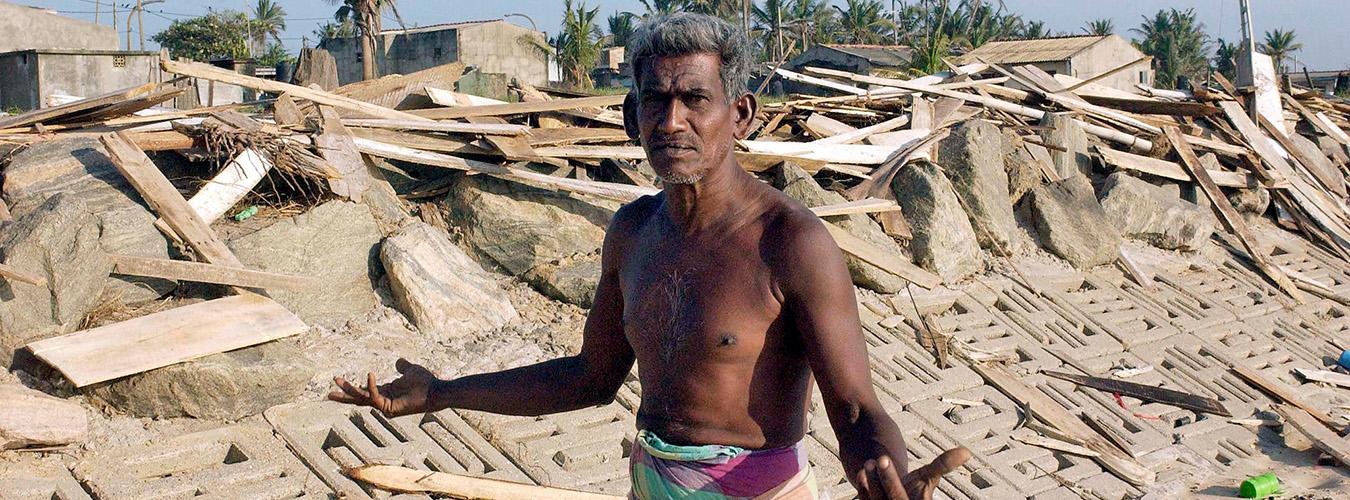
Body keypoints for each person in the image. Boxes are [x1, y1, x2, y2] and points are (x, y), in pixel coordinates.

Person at [330, 12, 970, 500]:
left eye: (695, 99)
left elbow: (855, 407)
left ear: (740, 114)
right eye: (656, 102)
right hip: (650, 482)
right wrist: (441, 392)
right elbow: (590, 377)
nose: (672, 121)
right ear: (633, 113)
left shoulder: (791, 243)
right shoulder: (634, 232)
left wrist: (884, 470)